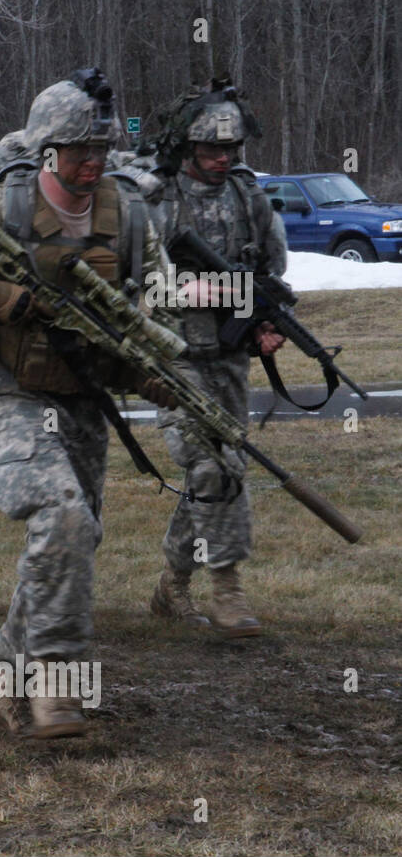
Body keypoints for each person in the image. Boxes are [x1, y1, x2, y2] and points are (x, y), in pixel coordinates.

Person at [0, 71, 177, 738]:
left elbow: (158, 299)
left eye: (101, 150)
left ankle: (4, 684)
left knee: (70, 541)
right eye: (78, 151)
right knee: (63, 516)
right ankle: (57, 683)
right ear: (45, 151)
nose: (92, 163)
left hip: (82, 400)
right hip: (8, 389)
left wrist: (150, 362)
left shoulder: (130, 217)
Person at [141, 81, 288, 638]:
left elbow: (268, 271)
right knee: (208, 466)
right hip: (169, 357)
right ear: (185, 147)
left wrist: (264, 325)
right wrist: (205, 292)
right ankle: (228, 589)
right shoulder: (155, 199)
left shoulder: (248, 196)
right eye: (210, 149)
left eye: (231, 148)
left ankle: (171, 586)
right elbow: (135, 286)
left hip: (226, 357)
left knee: (222, 469)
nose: (223, 158)